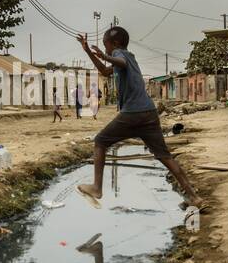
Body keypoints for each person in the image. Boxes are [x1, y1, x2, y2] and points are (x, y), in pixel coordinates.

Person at [74, 28, 203, 209]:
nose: (107, 49)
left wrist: (104, 55)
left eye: (106, 45)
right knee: (164, 156)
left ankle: (97, 188)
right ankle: (193, 197)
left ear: (116, 44)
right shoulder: (130, 57)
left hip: (133, 113)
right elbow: (104, 71)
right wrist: (88, 51)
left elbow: (120, 61)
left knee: (100, 141)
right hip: (149, 113)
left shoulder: (121, 55)